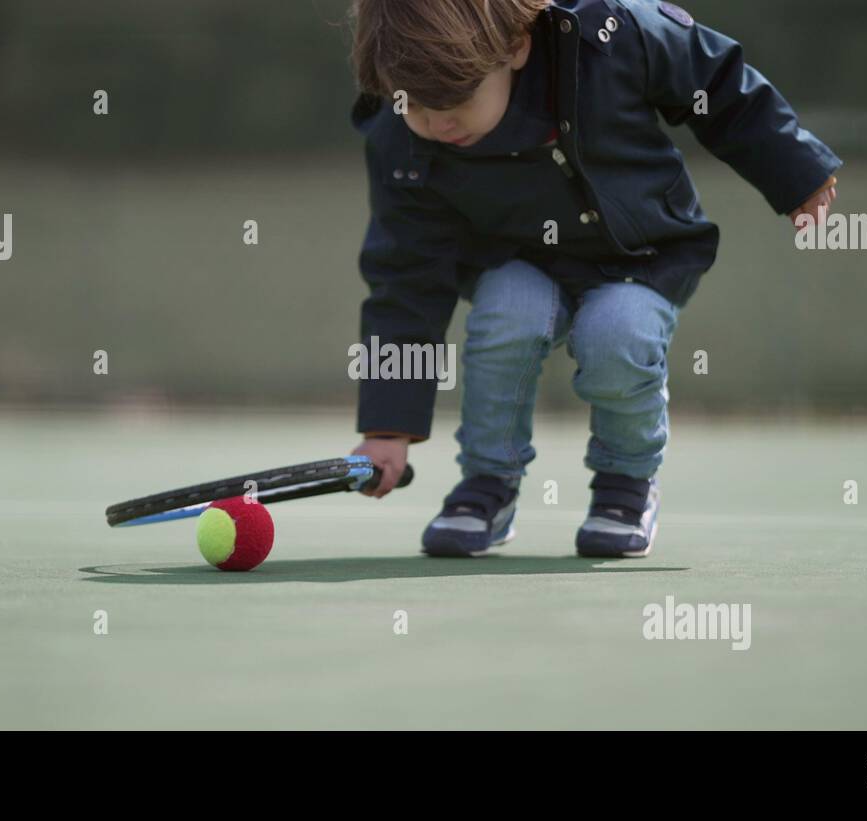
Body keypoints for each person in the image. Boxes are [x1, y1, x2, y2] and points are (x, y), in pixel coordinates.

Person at [347, 0, 840, 557]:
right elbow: (404, 278)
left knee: (617, 336)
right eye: (413, 108)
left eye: (455, 102)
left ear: (516, 47)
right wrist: (387, 427)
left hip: (640, 253)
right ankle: (487, 484)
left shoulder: (613, 35)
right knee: (507, 318)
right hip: (520, 257)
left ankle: (624, 486)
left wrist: (796, 168)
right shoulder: (402, 133)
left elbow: (718, 83)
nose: (435, 124)